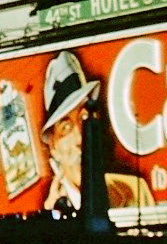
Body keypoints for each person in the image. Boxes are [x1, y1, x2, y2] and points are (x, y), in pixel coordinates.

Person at [37, 51, 155, 220]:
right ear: (53, 146)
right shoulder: (49, 212)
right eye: (66, 127)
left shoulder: (134, 190)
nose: (80, 139)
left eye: (84, 119)